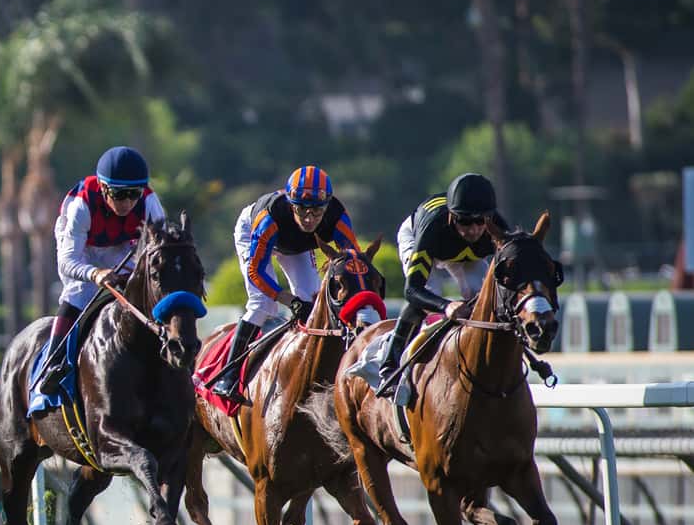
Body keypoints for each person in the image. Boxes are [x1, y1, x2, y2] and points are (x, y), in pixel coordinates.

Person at [209, 165, 362, 399]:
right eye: (301, 210)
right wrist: (289, 300)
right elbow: (256, 272)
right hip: (253, 232)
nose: (309, 219)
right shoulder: (268, 219)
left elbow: (355, 261)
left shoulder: (338, 216)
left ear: (327, 206)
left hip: (295, 245)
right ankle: (228, 375)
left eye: (317, 211)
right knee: (262, 304)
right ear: (291, 205)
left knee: (313, 301)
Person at [34, 146, 167, 397]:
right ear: (104, 188)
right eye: (119, 194)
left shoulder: (150, 202)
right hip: (83, 249)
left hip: (123, 245)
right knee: (78, 294)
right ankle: (53, 362)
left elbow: (160, 251)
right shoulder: (81, 206)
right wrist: (95, 274)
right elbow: (68, 262)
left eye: (134, 194)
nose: (127, 203)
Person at [374, 172, 508, 398]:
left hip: (465, 255)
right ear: (451, 217)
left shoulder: (498, 226)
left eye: (481, 221)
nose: (474, 229)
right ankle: (390, 363)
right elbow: (412, 290)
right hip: (422, 241)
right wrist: (446, 306)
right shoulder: (433, 229)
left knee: (481, 295)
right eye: (465, 221)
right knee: (430, 293)